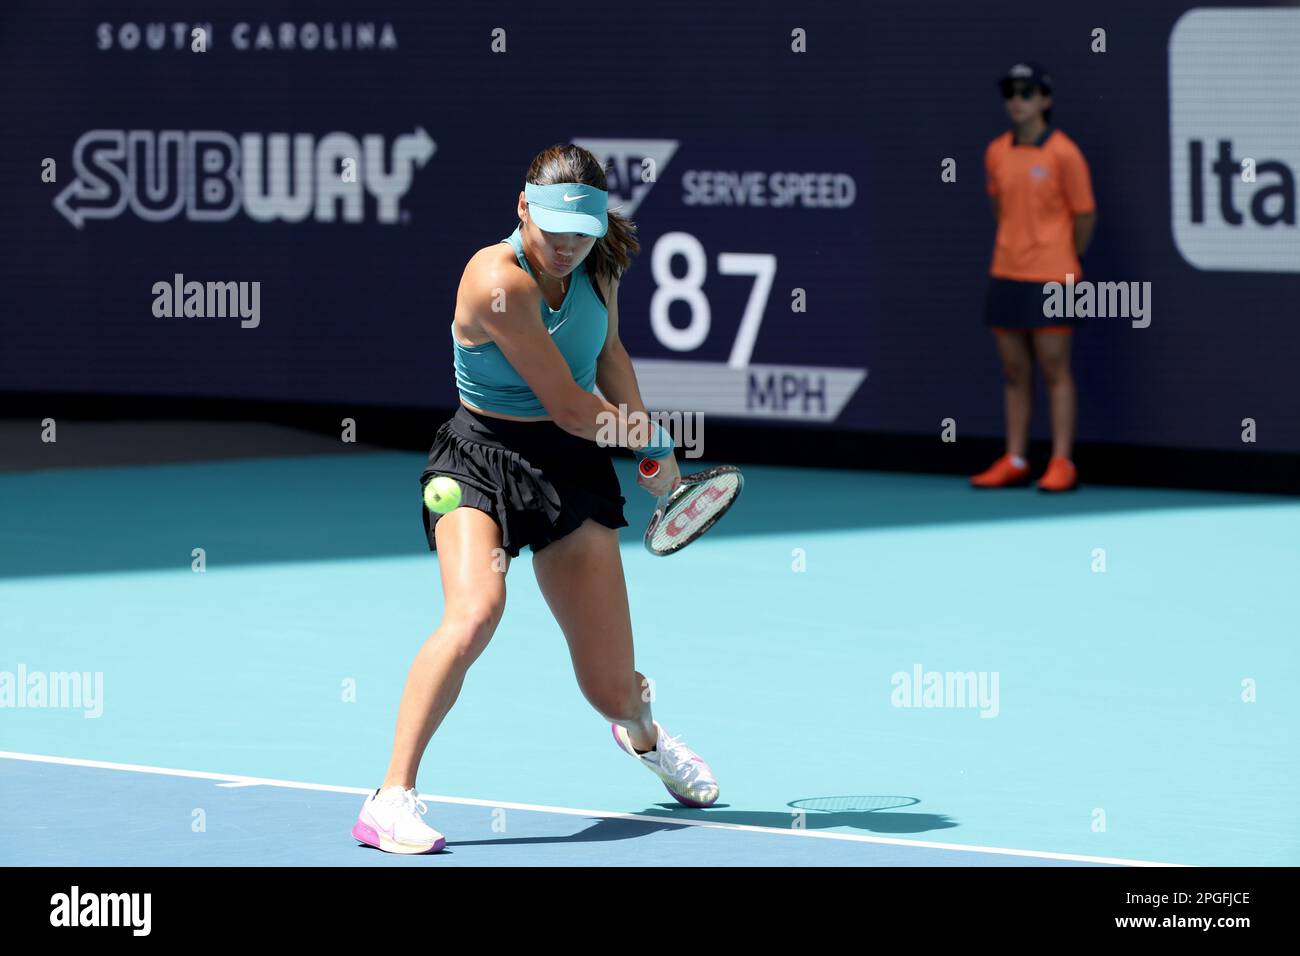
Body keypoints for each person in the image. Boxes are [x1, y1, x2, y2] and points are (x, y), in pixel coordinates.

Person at [350, 143, 720, 854]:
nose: (568, 250)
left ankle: (644, 733)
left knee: (611, 690)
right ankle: (388, 798)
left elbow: (608, 353)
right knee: (475, 611)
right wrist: (653, 441)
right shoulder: (497, 281)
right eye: (555, 235)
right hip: (477, 462)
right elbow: (571, 406)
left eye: (582, 235)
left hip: (569, 469)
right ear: (522, 208)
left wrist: (647, 436)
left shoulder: (599, 258)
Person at [972, 62, 1097, 492]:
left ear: (1045, 100)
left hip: (1055, 275)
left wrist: (1063, 253)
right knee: (1013, 370)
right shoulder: (996, 152)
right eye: (1010, 92)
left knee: (1054, 367)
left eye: (1027, 93)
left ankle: (1062, 461)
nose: (1017, 101)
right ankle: (1016, 458)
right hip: (1006, 269)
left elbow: (1084, 214)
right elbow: (999, 209)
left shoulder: (1064, 153)